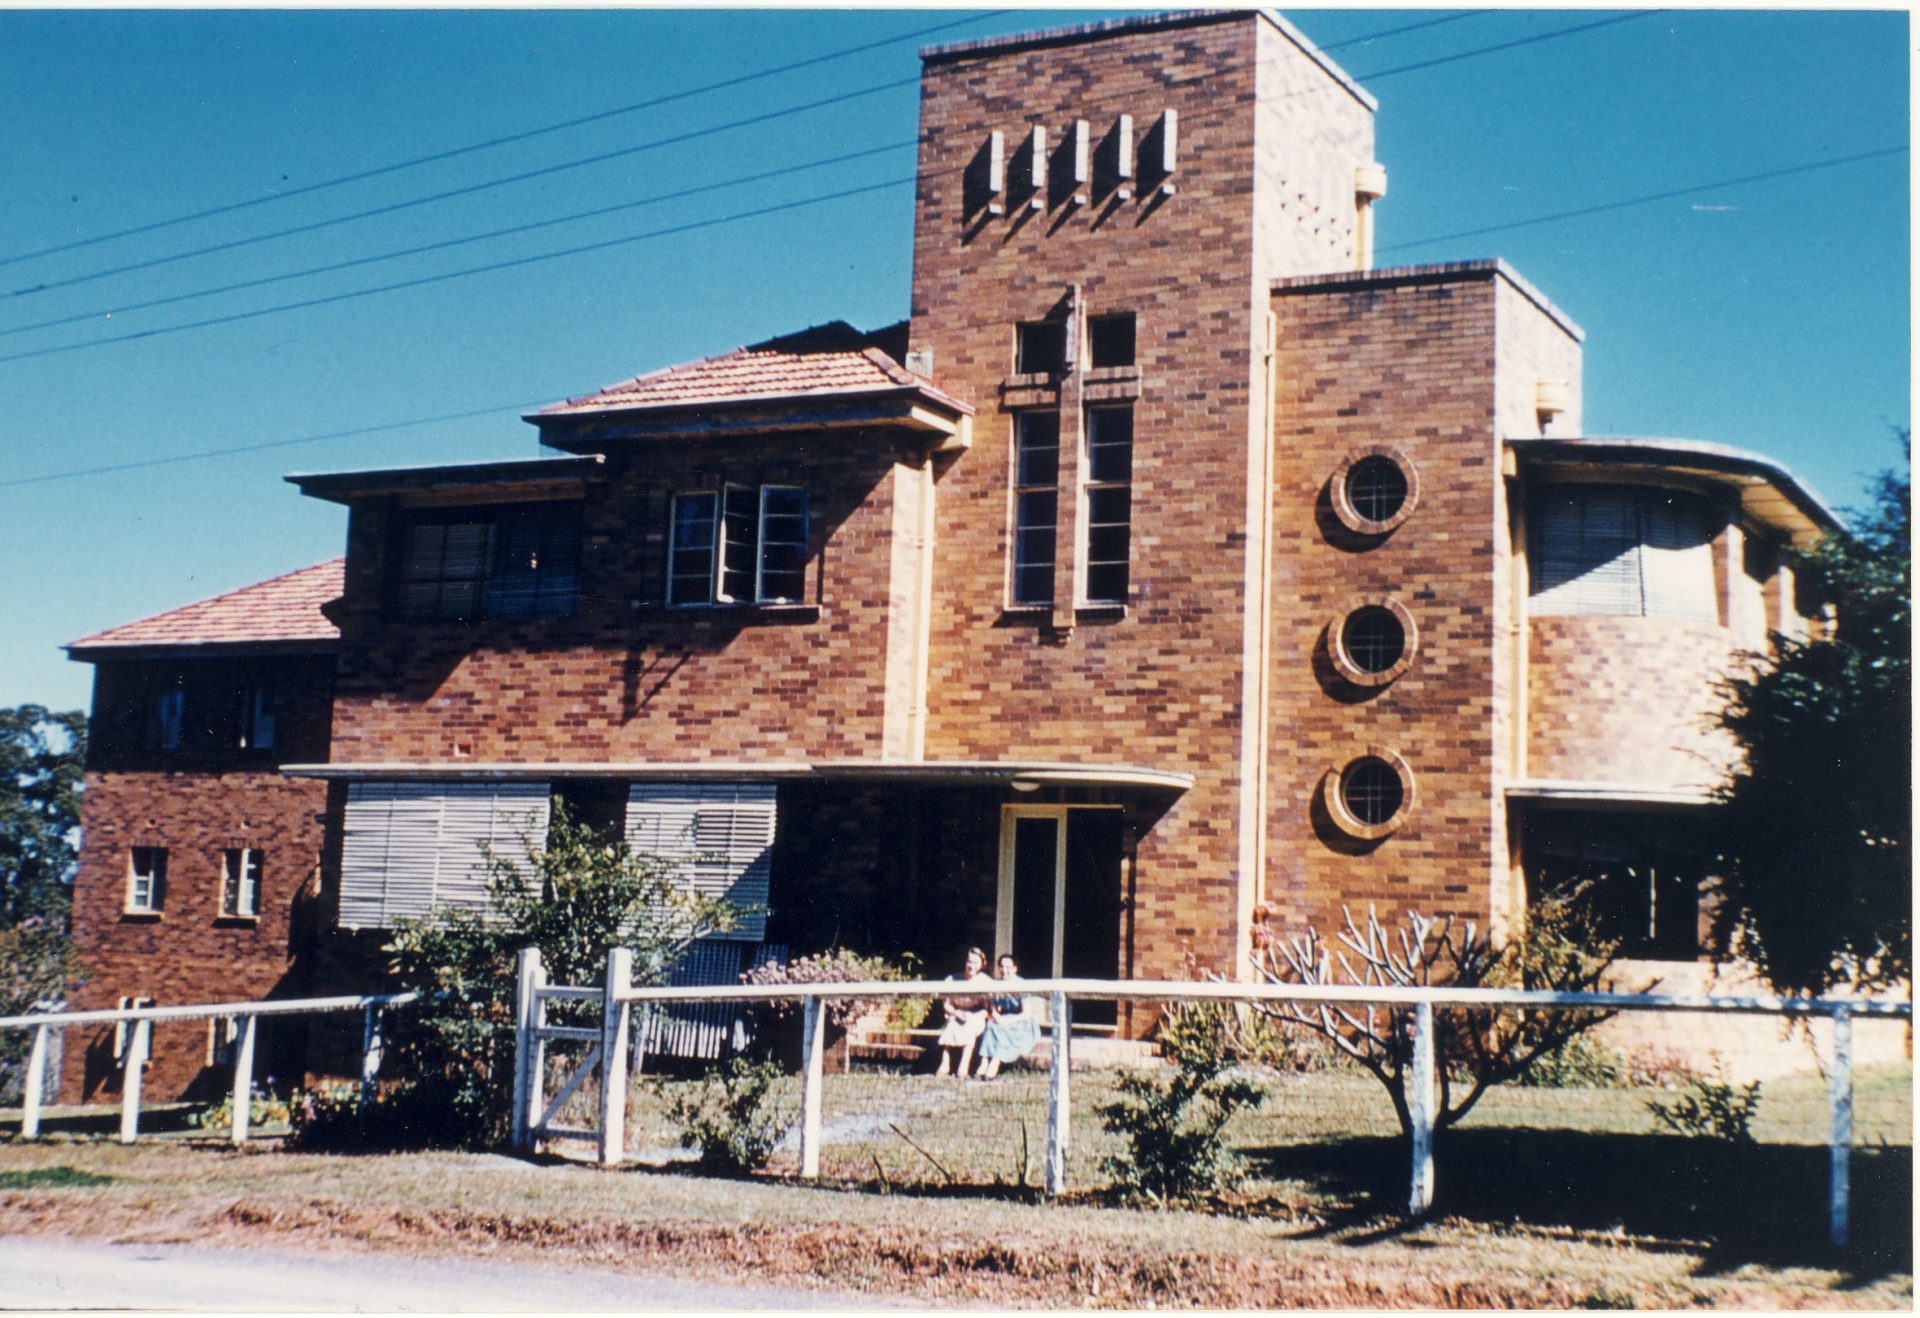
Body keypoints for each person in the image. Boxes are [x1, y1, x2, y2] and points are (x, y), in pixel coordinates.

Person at [973, 953, 1040, 1080]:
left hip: (1021, 1022)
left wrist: (1006, 1020)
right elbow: (993, 1007)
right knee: (991, 1026)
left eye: (1008, 967)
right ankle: (984, 1061)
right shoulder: (996, 985)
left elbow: (1026, 1013)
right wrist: (996, 1015)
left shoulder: (1021, 985)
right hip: (1003, 1017)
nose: (1005, 970)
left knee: (1003, 1029)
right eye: (1002, 967)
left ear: (1015, 969)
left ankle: (995, 1062)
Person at [931, 946, 991, 1078]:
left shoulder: (984, 981)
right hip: (955, 1013)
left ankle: (964, 1066)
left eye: (976, 963)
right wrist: (956, 1013)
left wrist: (973, 1016)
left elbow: (987, 1009)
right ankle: (945, 1064)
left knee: (970, 1027)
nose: (971, 966)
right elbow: (946, 1005)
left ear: (981, 965)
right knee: (950, 1025)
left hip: (976, 1015)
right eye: (969, 961)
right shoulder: (952, 979)